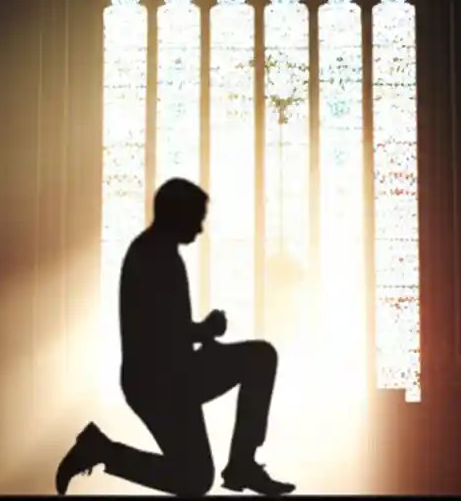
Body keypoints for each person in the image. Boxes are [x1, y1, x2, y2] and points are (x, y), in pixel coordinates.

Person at [55, 178, 295, 496]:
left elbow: (165, 328)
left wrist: (201, 334)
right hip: (162, 383)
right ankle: (241, 464)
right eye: (196, 218)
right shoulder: (154, 257)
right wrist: (205, 330)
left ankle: (103, 451)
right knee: (260, 358)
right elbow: (165, 331)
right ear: (177, 214)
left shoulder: (156, 253)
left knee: (193, 479)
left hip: (165, 378)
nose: (199, 229)